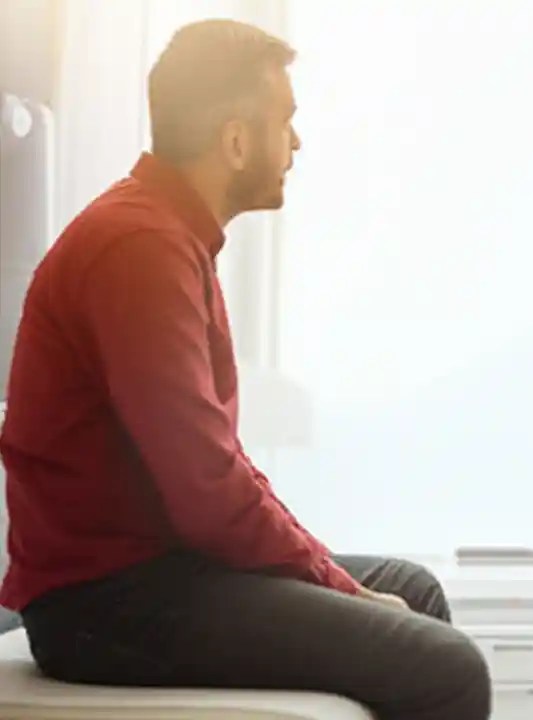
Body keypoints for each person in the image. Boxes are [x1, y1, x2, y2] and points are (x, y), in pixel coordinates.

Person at [0, 19, 490, 720]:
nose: (297, 142)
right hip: (108, 603)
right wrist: (342, 588)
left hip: (162, 571)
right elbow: (206, 484)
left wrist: (332, 576)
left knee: (413, 589)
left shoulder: (167, 237)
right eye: (284, 121)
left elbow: (215, 467)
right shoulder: (139, 248)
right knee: (450, 671)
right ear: (234, 141)